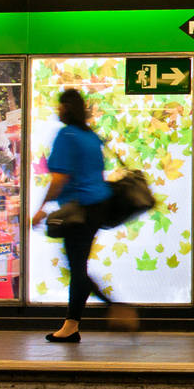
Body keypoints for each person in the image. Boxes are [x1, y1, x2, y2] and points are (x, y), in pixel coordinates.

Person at [30, 89, 134, 343]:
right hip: (98, 206)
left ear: (67, 107)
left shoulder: (67, 135)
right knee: (78, 266)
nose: (57, 111)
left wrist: (42, 207)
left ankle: (115, 308)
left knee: (77, 268)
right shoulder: (90, 136)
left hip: (80, 210)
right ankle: (71, 325)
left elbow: (59, 179)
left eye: (59, 106)